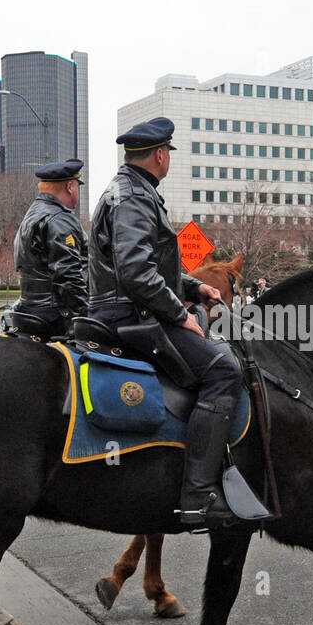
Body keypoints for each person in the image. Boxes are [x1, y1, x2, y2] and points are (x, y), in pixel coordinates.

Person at [88, 117, 242, 529]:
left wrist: (194, 290)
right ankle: (198, 495)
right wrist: (180, 316)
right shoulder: (134, 197)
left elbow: (152, 266)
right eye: (168, 153)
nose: (168, 158)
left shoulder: (130, 191)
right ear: (160, 155)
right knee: (224, 371)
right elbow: (137, 272)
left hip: (123, 306)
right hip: (130, 314)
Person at [12, 159, 89, 338]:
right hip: (55, 316)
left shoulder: (31, 215)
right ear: (70, 186)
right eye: (78, 186)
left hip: (30, 309)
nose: (78, 192)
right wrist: (86, 314)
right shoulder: (60, 220)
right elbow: (69, 277)